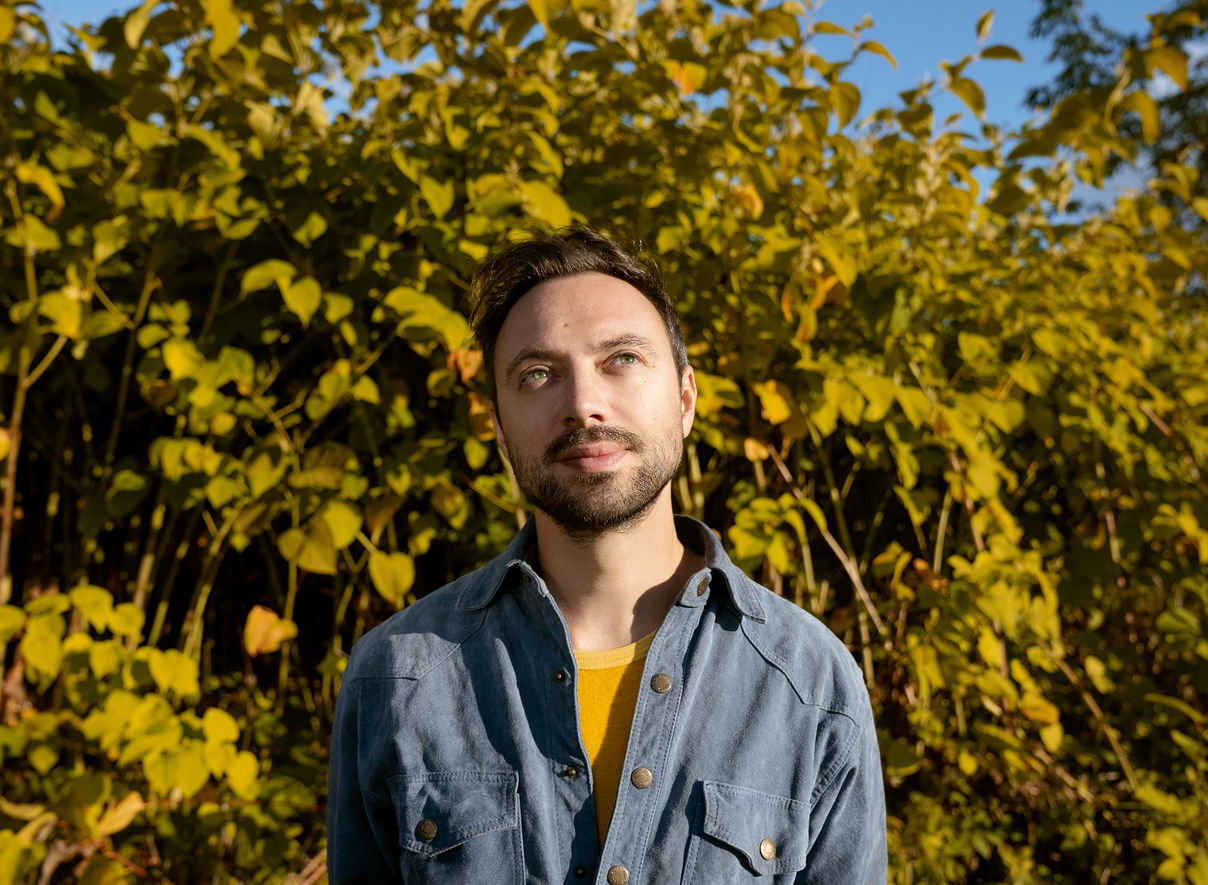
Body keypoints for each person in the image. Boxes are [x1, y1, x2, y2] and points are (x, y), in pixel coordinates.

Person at [327, 227, 887, 884]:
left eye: (620, 358)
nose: (583, 404)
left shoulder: (812, 684)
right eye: (538, 373)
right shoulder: (394, 678)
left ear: (684, 399)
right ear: (500, 425)